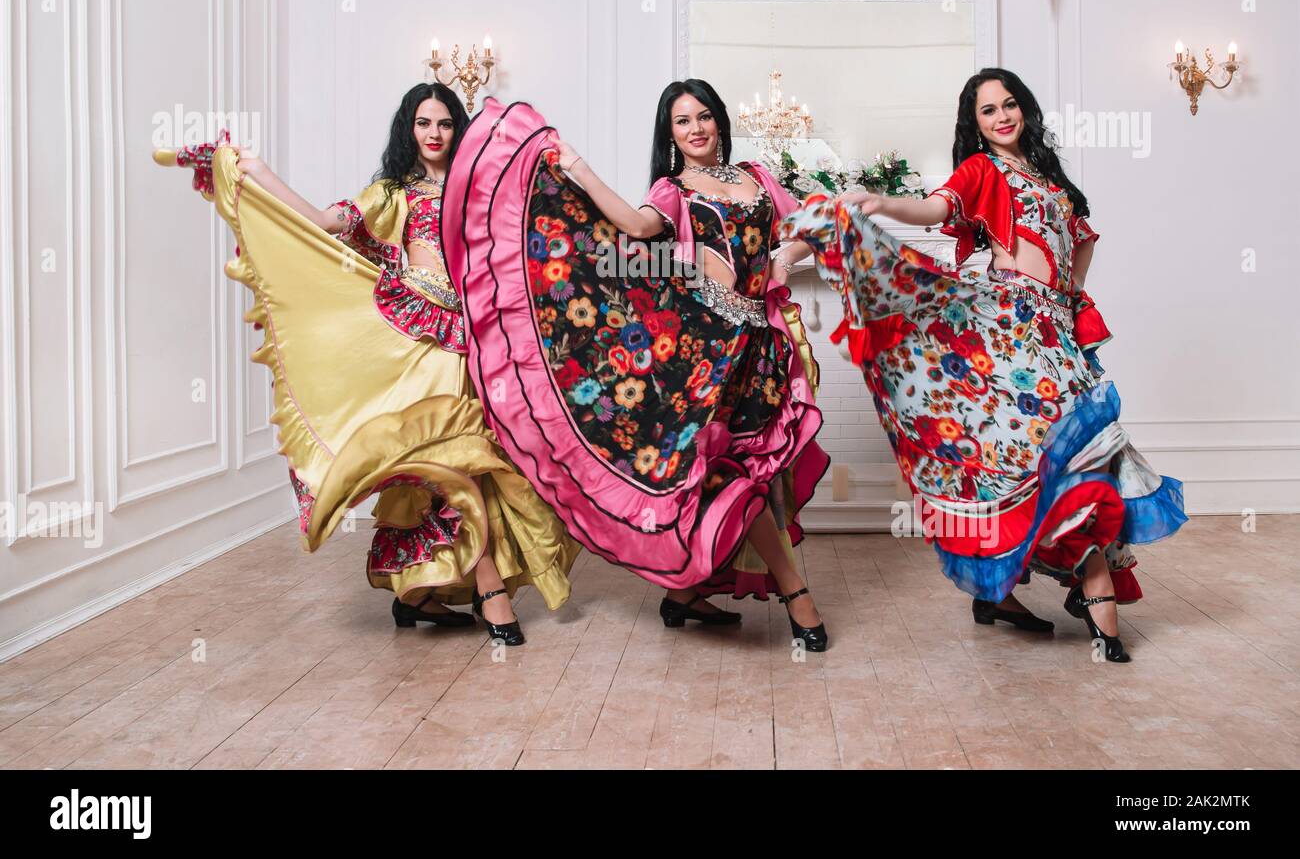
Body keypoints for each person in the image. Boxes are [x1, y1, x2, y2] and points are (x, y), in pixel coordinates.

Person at [781, 68, 1186, 662]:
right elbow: (932, 207)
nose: (1001, 116)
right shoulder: (981, 169)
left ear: (1024, 110)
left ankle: (1006, 594)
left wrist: (1072, 305)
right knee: (1039, 455)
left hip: (1055, 331)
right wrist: (878, 203)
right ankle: (1088, 587)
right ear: (974, 122)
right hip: (1011, 329)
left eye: (1009, 104)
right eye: (988, 110)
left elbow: (1081, 242)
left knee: (1063, 451)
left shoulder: (1047, 175)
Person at [154, 82, 578, 645]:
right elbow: (328, 222)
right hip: (419, 338)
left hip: (472, 334)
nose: (434, 134)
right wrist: (257, 171)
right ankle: (489, 589)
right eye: (424, 124)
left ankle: (419, 592)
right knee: (458, 458)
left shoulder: (475, 187)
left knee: (477, 458)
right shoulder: (393, 192)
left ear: (459, 130)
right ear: (409, 130)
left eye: (445, 124)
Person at [442, 82, 832, 650]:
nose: (695, 128)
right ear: (670, 134)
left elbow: (813, 226)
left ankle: (683, 594)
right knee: (729, 474)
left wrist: (781, 261)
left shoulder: (758, 176)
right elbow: (637, 228)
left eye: (703, 116)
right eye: (681, 122)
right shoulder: (672, 188)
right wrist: (575, 166)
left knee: (755, 472)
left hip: (759, 343)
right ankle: (799, 596)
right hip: (702, 351)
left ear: (720, 121)